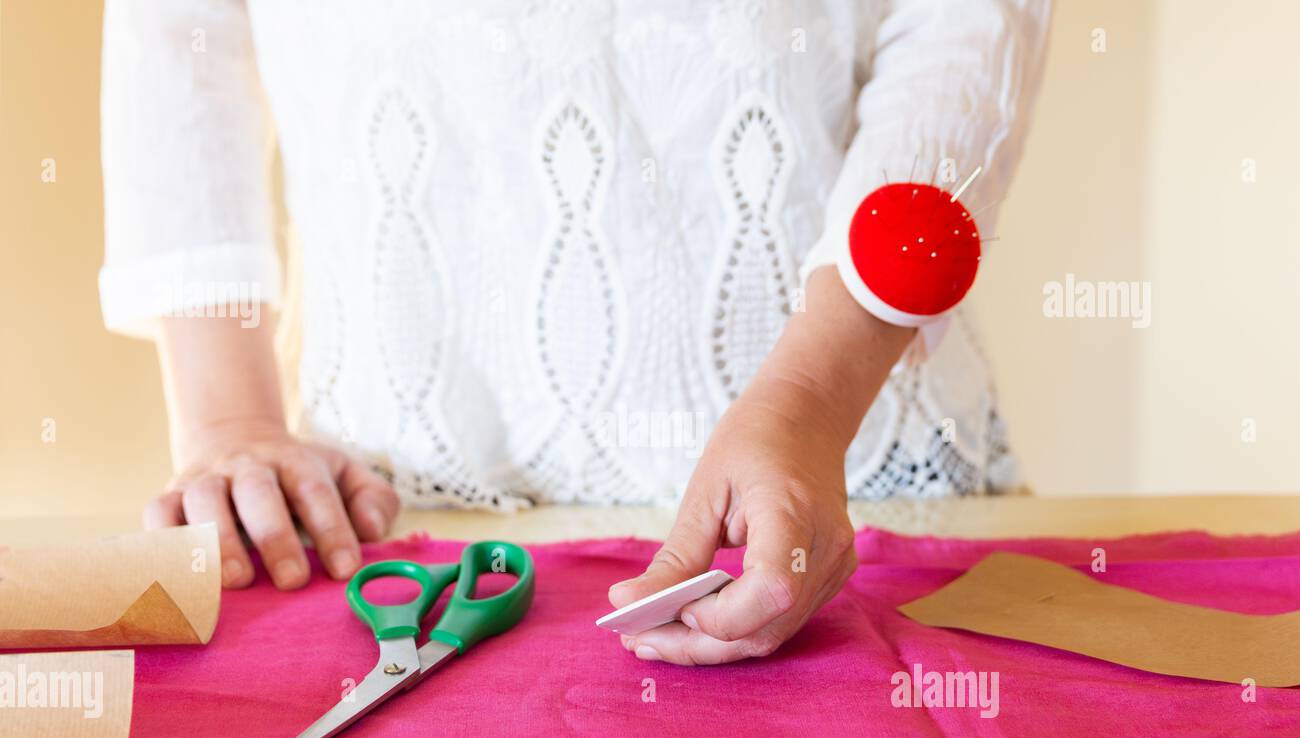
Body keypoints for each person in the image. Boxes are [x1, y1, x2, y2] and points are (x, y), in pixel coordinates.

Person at [99, 0, 1050, 664]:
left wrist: (811, 396)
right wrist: (229, 423)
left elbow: (962, 18)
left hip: (844, 450)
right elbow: (178, 26)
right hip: (388, 497)